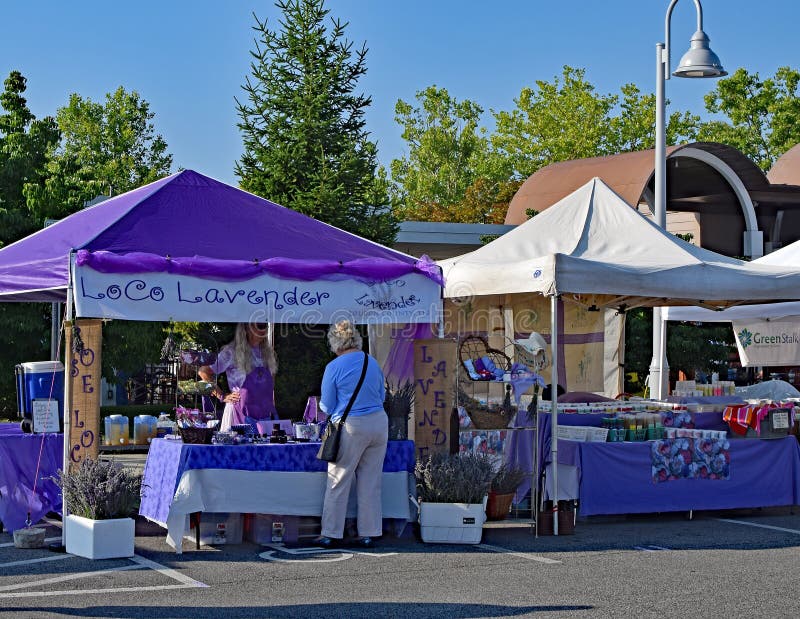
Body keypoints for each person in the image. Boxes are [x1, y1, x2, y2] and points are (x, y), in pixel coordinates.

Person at [316, 319, 387, 549]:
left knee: (338, 479)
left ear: (335, 343)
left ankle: (330, 533)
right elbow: (382, 396)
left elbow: (327, 405)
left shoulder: (334, 367)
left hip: (351, 426)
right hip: (378, 423)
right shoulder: (371, 362)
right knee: (370, 482)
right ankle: (369, 533)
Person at [197, 322, 278, 432]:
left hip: (264, 417)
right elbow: (203, 372)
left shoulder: (266, 353)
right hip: (239, 415)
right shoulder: (231, 352)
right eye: (260, 325)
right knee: (239, 442)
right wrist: (222, 396)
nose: (265, 330)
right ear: (247, 328)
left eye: (265, 325)